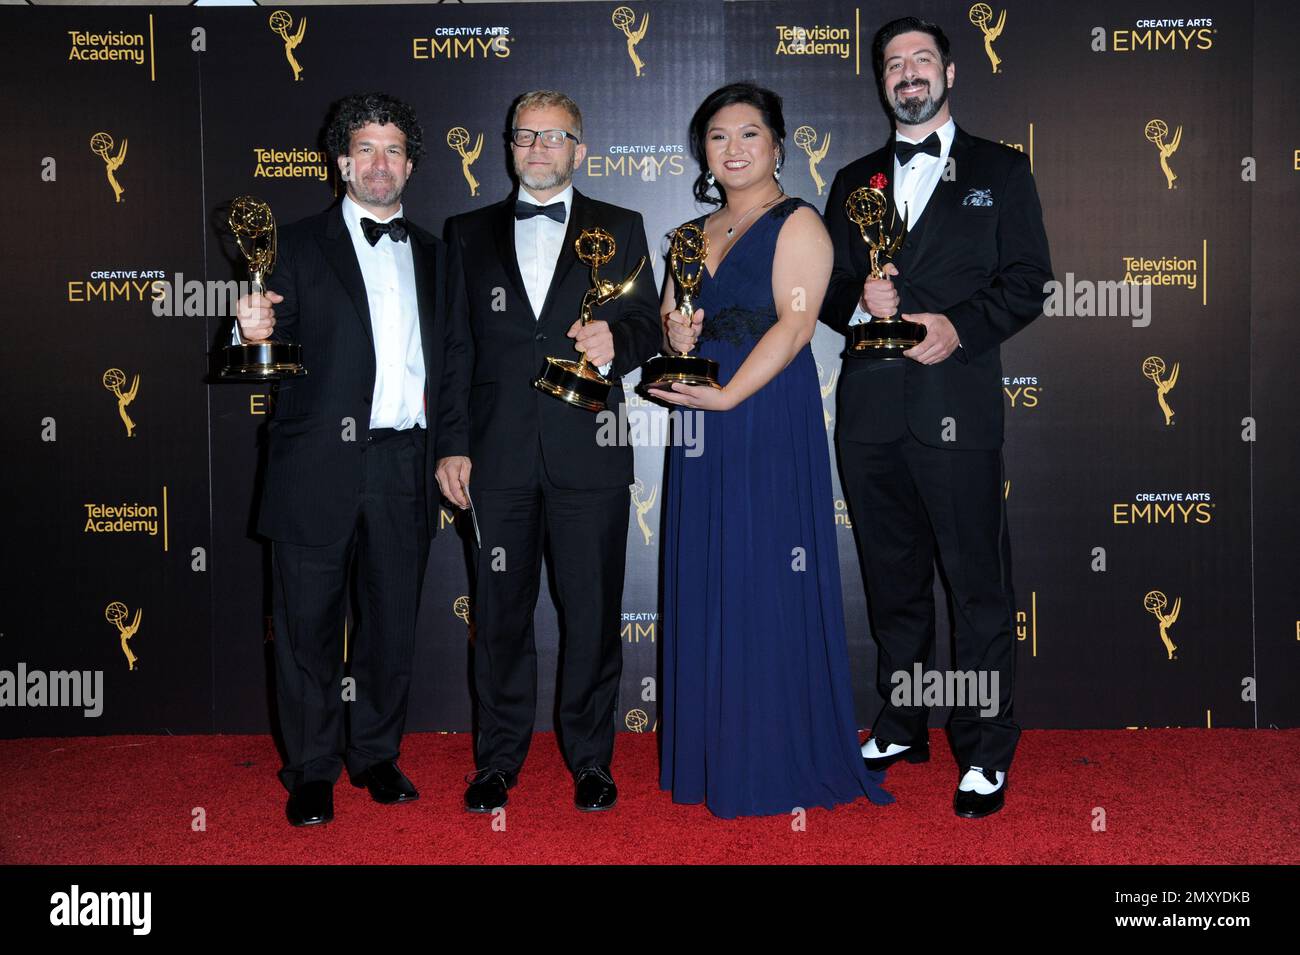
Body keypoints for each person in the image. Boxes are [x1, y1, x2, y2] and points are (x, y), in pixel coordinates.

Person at [819, 17, 1053, 818]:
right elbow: (825, 286)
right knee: (892, 581)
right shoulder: (852, 179)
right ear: (881, 80)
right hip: (869, 415)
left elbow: (1030, 279)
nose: (909, 73)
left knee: (977, 585)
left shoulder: (1002, 168)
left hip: (956, 406)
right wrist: (859, 302)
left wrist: (960, 326)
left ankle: (986, 746)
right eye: (894, 63)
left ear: (950, 73)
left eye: (922, 59)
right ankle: (902, 720)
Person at [651, 82, 893, 818]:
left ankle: (773, 752)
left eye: (748, 133)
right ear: (703, 151)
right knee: (709, 568)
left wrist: (729, 395)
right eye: (718, 136)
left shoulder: (800, 222)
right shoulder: (689, 233)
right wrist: (677, 335)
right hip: (701, 421)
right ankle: (714, 751)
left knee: (762, 570)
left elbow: (795, 327)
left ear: (778, 146)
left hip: (763, 412)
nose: (733, 148)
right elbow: (673, 321)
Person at [436, 90, 661, 814]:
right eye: (524, 135)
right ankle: (497, 760)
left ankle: (591, 759)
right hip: (495, 458)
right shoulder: (465, 232)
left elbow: (647, 324)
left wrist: (616, 342)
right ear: (509, 146)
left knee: (591, 614)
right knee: (499, 615)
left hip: (588, 452)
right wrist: (452, 444)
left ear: (580, 150)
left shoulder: (621, 226)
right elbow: (453, 349)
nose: (537, 148)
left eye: (553, 136)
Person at [234, 93, 451, 827]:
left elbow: (455, 363)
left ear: (410, 166)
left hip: (404, 462)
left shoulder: (438, 255)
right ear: (340, 163)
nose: (379, 163)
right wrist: (251, 331)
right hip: (313, 464)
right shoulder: (292, 246)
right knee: (306, 628)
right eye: (365, 148)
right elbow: (267, 347)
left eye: (393, 149)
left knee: (391, 623)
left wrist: (453, 449)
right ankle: (312, 768)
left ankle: (377, 754)